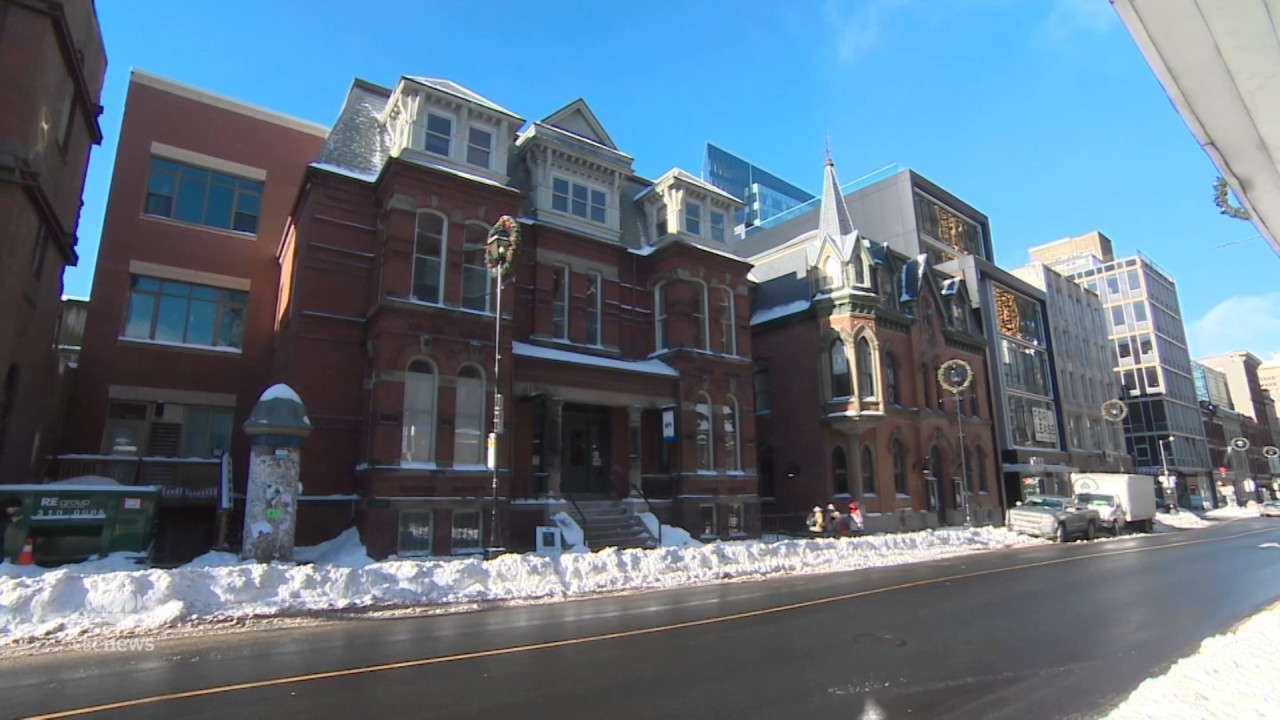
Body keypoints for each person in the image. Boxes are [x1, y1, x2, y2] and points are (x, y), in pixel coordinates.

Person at [2, 497, 23, 562]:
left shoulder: (7, 514)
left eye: (16, 509)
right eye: (13, 508)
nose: (14, 511)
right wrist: (10, 520)